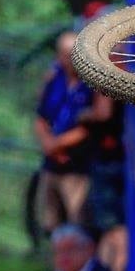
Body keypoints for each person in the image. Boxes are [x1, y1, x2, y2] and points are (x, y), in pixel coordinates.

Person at [34, 31, 96, 235]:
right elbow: (41, 117)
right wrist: (48, 144)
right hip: (51, 164)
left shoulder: (92, 82)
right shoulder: (54, 80)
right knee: (50, 224)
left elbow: (90, 127)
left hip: (76, 168)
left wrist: (58, 144)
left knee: (77, 225)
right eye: (65, 55)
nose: (70, 60)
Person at [79, 91, 128, 271]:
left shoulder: (112, 77)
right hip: (113, 163)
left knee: (116, 232)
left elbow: (103, 113)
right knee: (108, 232)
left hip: (112, 163)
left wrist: (83, 115)